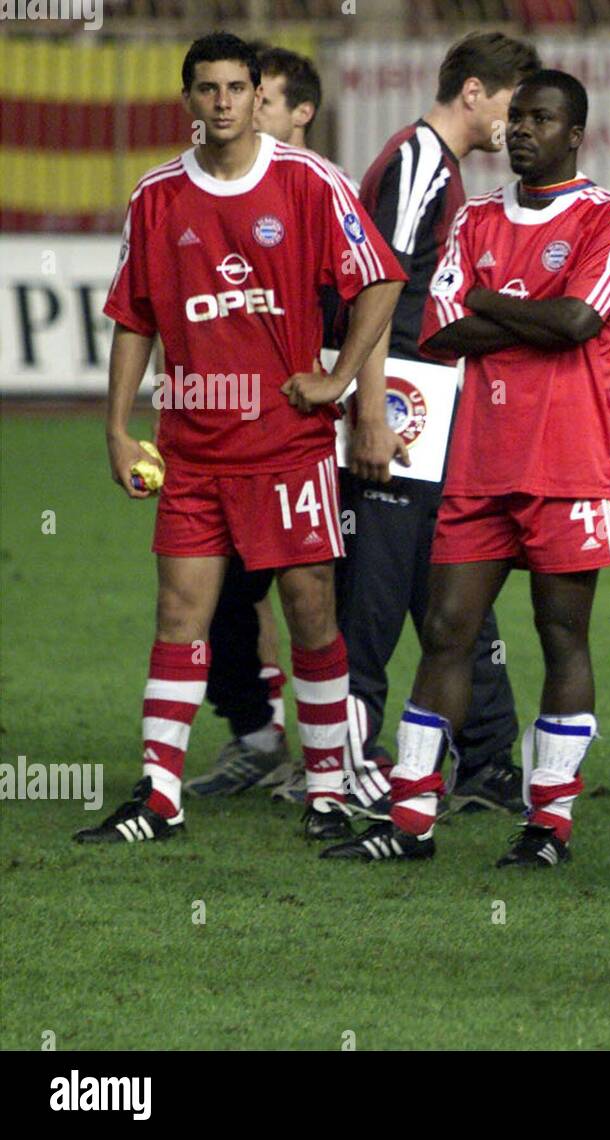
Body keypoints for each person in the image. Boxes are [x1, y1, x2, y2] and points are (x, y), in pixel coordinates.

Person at [75, 32, 404, 845]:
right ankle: (159, 797)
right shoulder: (156, 196)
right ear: (188, 100)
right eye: (206, 89)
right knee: (179, 614)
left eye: (235, 88)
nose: (221, 102)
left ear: (259, 96)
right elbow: (132, 318)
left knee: (311, 613)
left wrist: (339, 381)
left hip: (285, 449)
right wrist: (117, 429)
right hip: (189, 451)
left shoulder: (308, 181)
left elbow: (384, 279)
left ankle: (328, 788)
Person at [321, 70, 610, 868]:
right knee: (444, 631)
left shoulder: (609, 217)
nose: (522, 129)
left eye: (544, 118)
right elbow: (436, 330)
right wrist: (524, 311)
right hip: (476, 458)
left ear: (576, 134)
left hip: (568, 461)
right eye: (519, 116)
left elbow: (578, 322)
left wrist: (492, 302)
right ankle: (410, 820)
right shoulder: (475, 218)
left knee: (561, 633)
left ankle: (548, 827)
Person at [329, 32, 541, 830]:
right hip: (406, 401)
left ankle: (485, 757)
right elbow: (377, 285)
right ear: (476, 91)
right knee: (380, 591)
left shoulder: (433, 163)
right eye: (512, 105)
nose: (513, 125)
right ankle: (353, 759)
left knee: (447, 577)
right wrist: (373, 411)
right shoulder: (419, 159)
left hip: (430, 401)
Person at [185, 45, 337, 804]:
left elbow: (375, 308)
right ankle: (258, 732)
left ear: (294, 109)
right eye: (217, 92)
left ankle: (348, 754)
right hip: (237, 443)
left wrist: (359, 404)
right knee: (223, 592)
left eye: (254, 95)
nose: (235, 109)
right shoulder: (205, 197)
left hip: (327, 438)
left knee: (344, 600)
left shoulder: (319, 193)